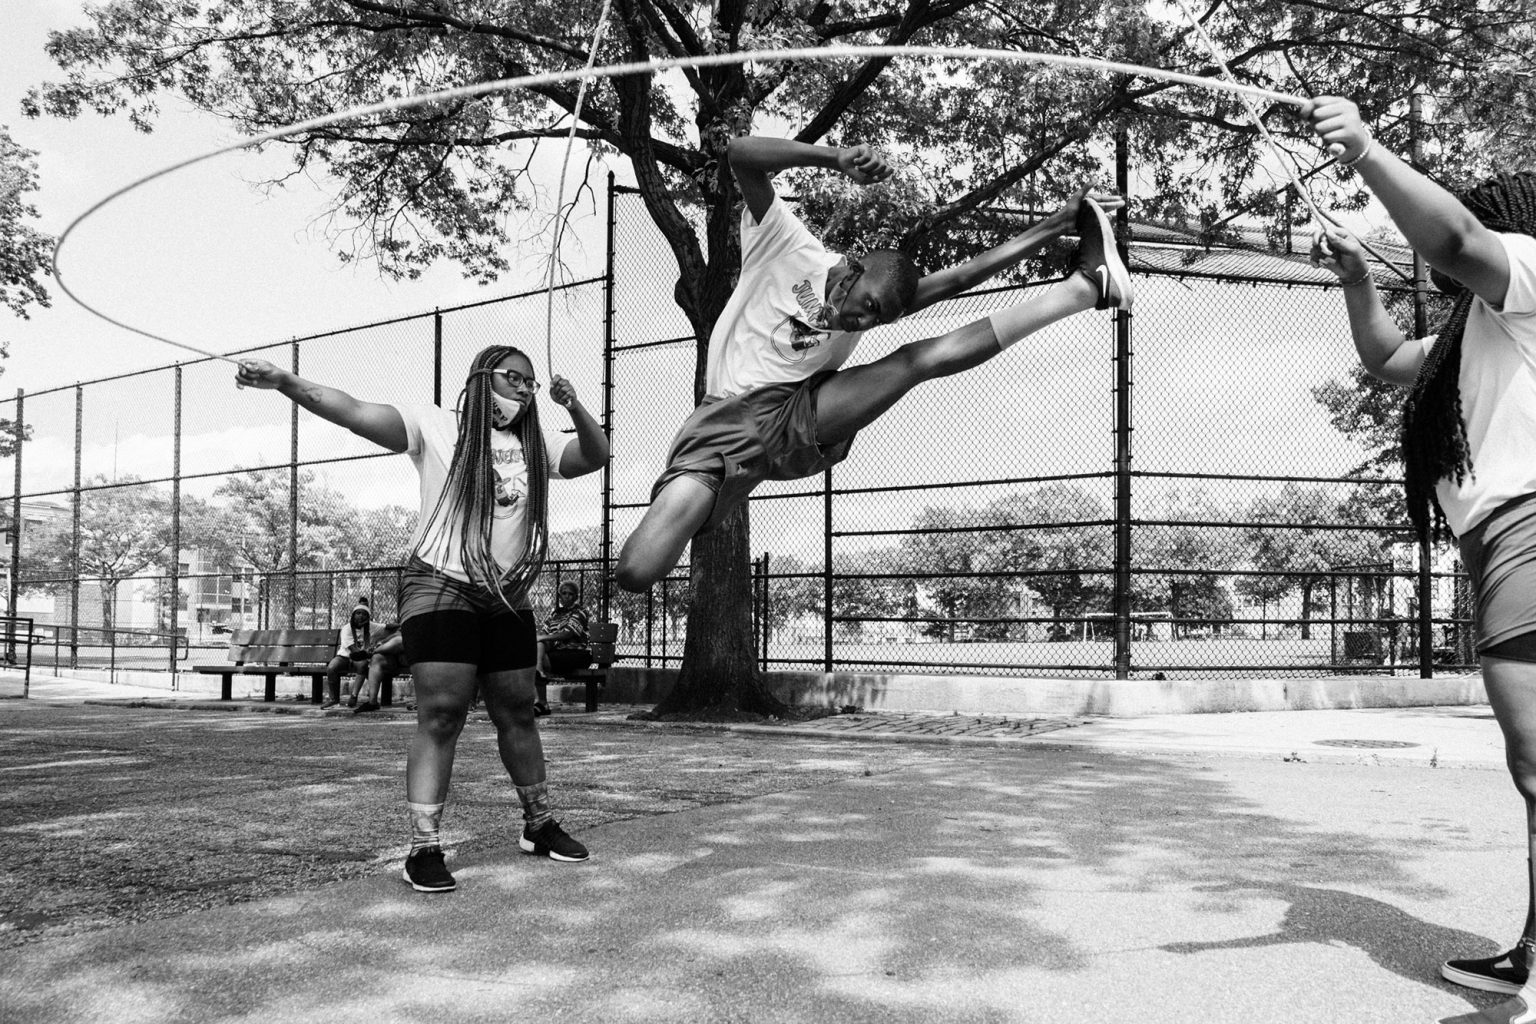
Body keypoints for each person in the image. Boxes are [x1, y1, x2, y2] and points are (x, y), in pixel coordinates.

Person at [614, 135, 1133, 592]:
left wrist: (1058, 223)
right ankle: (714, 492)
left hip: (796, 414)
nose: (859, 320)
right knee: (636, 572)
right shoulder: (787, 245)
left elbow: (961, 277)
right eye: (865, 304)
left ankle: (1083, 290)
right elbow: (741, 155)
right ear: (854, 268)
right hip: (724, 424)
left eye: (875, 318)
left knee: (914, 362)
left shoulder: (872, 310)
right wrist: (835, 158)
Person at [1306, 95, 1536, 1023]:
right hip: (1503, 541)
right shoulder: (1474, 334)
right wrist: (1358, 277)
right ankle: (1533, 953)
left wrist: (1366, 150)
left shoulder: (1528, 273)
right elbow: (1385, 357)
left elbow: (1458, 239)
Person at [235, 344, 608, 892]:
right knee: (442, 713)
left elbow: (595, 456)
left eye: (530, 382)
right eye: (514, 377)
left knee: (517, 710)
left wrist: (573, 405)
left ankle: (539, 824)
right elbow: (352, 410)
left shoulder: (537, 442)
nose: (524, 389)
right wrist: (287, 382)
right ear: (483, 377)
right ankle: (425, 847)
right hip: (441, 583)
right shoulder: (436, 426)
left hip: (507, 594)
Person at [533, 580, 592, 716]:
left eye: (570, 594)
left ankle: (542, 701)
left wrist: (542, 638)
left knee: (537, 657)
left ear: (576, 597)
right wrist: (541, 638)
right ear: (559, 596)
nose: (567, 596)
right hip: (558, 653)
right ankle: (539, 673)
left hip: (577, 654)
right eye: (564, 593)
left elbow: (568, 634)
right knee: (538, 650)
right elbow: (544, 632)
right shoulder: (555, 614)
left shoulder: (580, 612)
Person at [322, 602, 371, 709]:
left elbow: (386, 627)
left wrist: (400, 626)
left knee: (363, 665)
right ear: (353, 615)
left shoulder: (370, 627)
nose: (361, 616)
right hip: (344, 657)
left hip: (359, 660)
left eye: (364, 614)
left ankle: (354, 696)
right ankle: (334, 699)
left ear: (367, 618)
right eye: (358, 613)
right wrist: (368, 653)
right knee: (331, 667)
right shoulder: (347, 628)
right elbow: (354, 650)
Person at [352, 621, 406, 714]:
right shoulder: (407, 620)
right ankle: (372, 702)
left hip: (413, 658)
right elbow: (398, 633)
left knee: (399, 641)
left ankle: (371, 652)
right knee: (377, 659)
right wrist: (382, 642)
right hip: (395, 657)